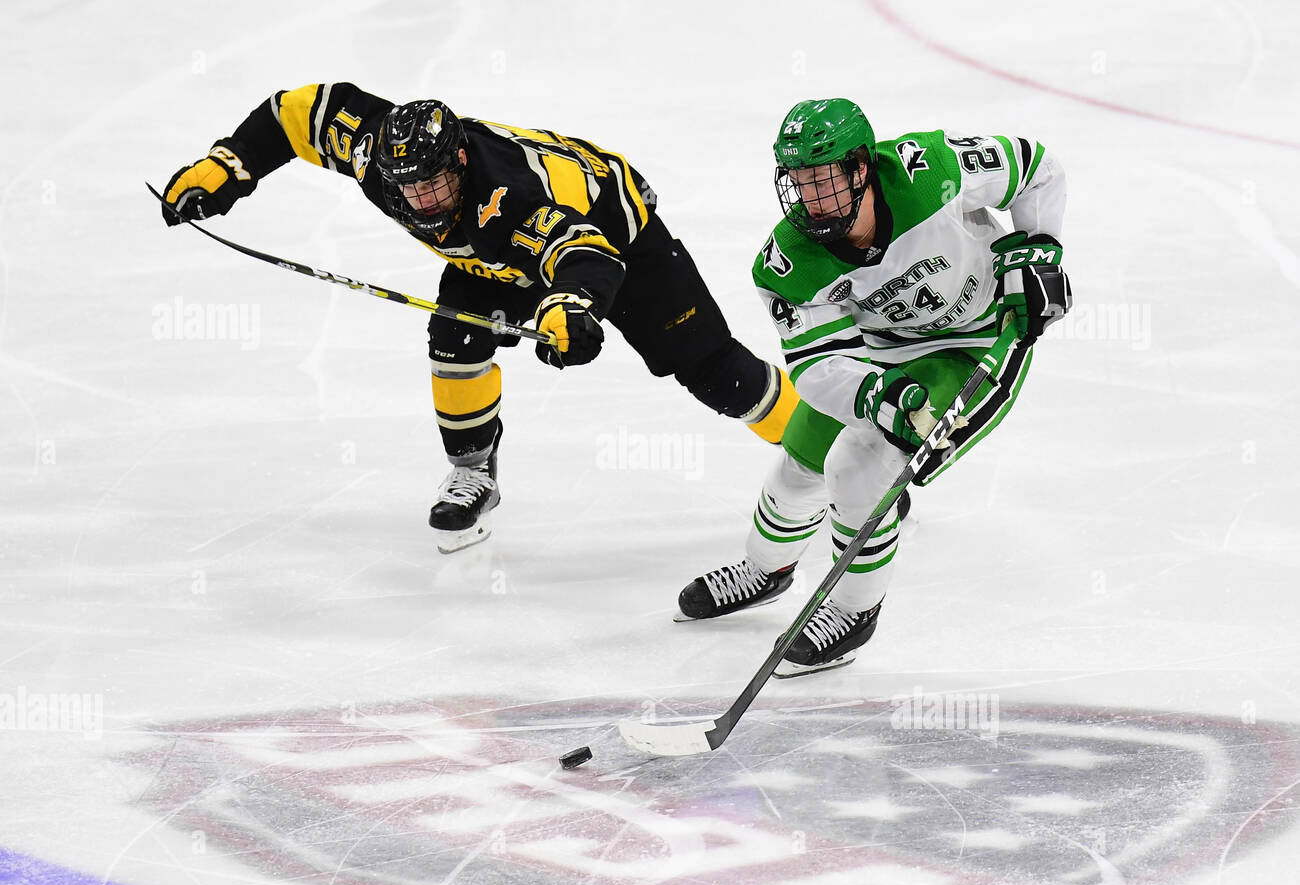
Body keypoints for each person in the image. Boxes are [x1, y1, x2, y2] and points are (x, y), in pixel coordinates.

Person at [160, 83, 799, 551]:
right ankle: (473, 471)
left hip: (612, 235)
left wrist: (569, 309)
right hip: (502, 259)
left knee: (716, 373)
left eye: (434, 186)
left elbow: (584, 255)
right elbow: (296, 113)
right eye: (407, 189)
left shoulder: (504, 199)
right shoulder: (379, 156)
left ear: (459, 161)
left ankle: (830, 452)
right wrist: (228, 167)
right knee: (456, 338)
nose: (421, 202)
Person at [676, 98, 1071, 676]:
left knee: (858, 469)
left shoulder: (932, 168)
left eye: (823, 180)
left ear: (861, 168)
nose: (810, 198)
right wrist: (881, 398)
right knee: (800, 462)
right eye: (799, 182)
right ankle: (767, 570)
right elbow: (818, 369)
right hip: (882, 358)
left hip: (975, 345)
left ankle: (853, 612)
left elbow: (1039, 168)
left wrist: (1042, 248)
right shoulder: (789, 262)